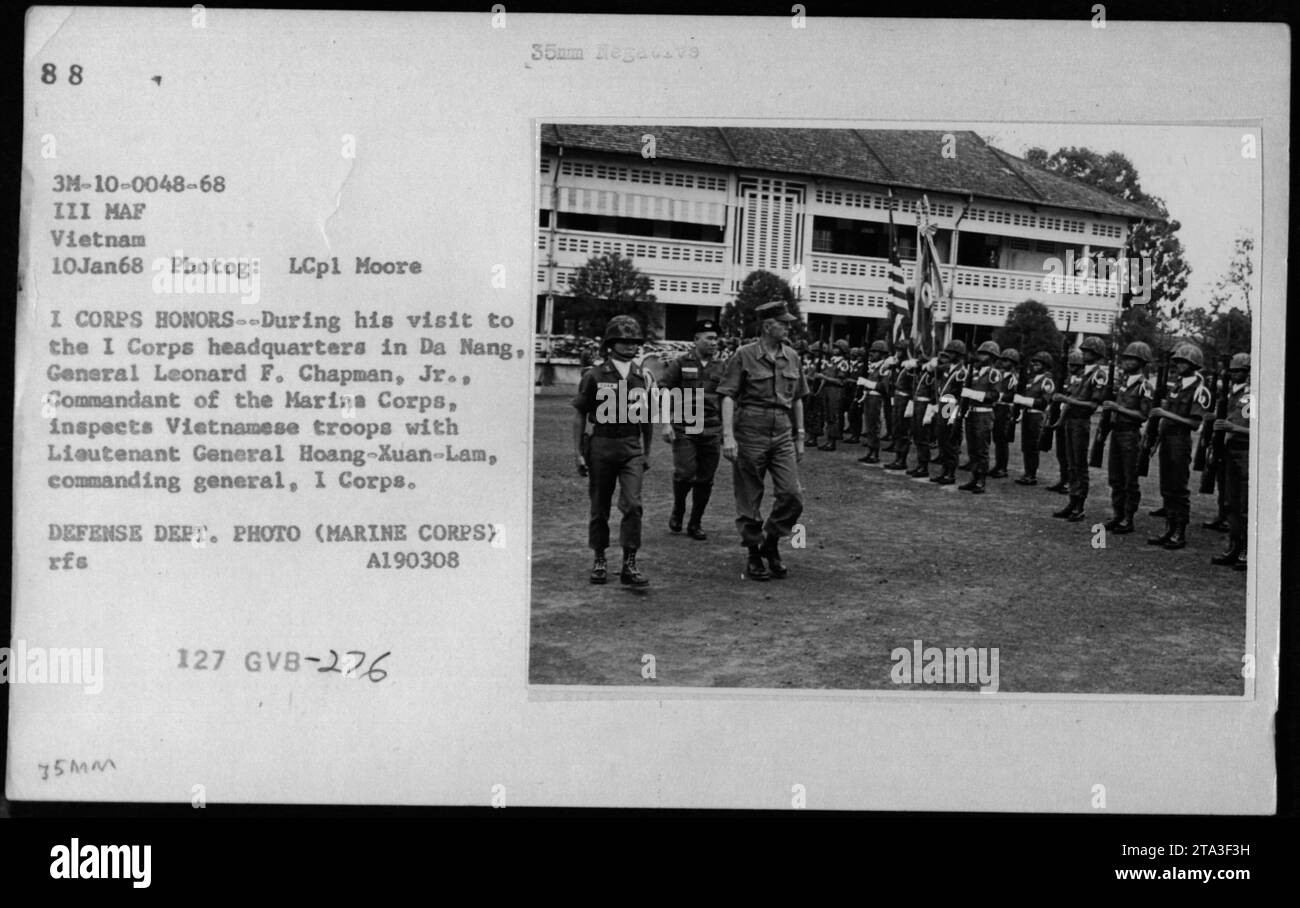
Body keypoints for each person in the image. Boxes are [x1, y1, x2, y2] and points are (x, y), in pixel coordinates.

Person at [718, 300, 808, 581]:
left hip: (781, 430)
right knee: (749, 496)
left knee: (792, 495)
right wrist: (728, 436)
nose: (788, 326)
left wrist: (800, 435)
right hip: (750, 429)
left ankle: (770, 542)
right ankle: (754, 554)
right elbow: (728, 395)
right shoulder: (744, 355)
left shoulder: (792, 356)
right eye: (784, 323)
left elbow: (798, 399)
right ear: (768, 326)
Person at [572, 315, 654, 587]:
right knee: (599, 507)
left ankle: (630, 562)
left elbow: (646, 418)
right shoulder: (594, 375)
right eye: (624, 340)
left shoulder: (642, 376)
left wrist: (647, 452)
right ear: (611, 343)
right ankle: (599, 558)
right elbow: (580, 414)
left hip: (631, 447)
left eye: (634, 341)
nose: (630, 346)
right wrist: (578, 453)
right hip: (602, 446)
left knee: (633, 505)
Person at [659, 319, 725, 540]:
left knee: (706, 479)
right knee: (685, 473)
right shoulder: (680, 363)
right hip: (685, 427)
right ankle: (678, 510)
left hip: (712, 430)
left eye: (716, 339)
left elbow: (729, 398)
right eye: (709, 338)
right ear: (696, 340)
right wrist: (666, 422)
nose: (714, 343)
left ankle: (695, 522)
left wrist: (728, 431)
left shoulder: (723, 367)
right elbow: (664, 389)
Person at [1146, 343, 1212, 550]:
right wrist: (1155, 442)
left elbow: (1194, 423)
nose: (1180, 365)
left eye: (1185, 362)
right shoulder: (1177, 385)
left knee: (1179, 488)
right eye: (1178, 361)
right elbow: (1164, 420)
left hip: (1181, 441)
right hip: (1167, 438)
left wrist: (1165, 414)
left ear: (1195, 365)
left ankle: (1179, 532)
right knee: (1167, 486)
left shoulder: (1200, 389)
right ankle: (1169, 528)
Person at [1098, 342, 1154, 534]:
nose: (1127, 362)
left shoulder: (1144, 386)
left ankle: (1128, 518)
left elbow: (1143, 415)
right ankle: (1118, 514)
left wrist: (1118, 409)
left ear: (1142, 362)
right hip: (1117, 432)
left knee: (1130, 479)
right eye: (1126, 358)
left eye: (1133, 359)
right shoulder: (1123, 382)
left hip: (1130, 434)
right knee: (1115, 477)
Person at [1051, 337, 1108, 521]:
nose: (1084, 354)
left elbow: (1092, 405)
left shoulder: (1098, 375)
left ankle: (1079, 506)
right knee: (1071, 463)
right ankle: (1072, 501)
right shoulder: (1084, 374)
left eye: (1089, 352)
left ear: (1098, 355)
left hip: (1081, 422)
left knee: (1079, 465)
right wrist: (1061, 419)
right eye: (1084, 351)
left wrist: (1067, 400)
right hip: (1071, 421)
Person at [1210, 352, 1250, 570]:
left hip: (1244, 452)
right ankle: (1234, 545)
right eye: (1233, 370)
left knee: (1244, 505)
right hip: (1228, 451)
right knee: (1230, 503)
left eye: (1239, 371)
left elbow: (1257, 428)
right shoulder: (1230, 394)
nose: (1235, 374)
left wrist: (1232, 427)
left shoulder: (1249, 396)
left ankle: (1246, 548)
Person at [956, 340, 1001, 493]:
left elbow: (994, 395)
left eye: (984, 354)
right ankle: (973, 478)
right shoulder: (973, 373)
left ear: (992, 357)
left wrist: (973, 394)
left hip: (984, 414)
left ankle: (981, 480)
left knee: (982, 448)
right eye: (980, 353)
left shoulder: (994, 374)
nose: (980, 356)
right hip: (972, 412)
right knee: (972, 447)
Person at [1014, 351, 1055, 485]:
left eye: (1039, 362)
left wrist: (1023, 400)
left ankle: (1031, 475)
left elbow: (1043, 402)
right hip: (1028, 414)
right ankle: (1027, 472)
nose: (1035, 364)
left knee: (1033, 446)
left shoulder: (1047, 381)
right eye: (1034, 362)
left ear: (1046, 365)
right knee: (1026, 446)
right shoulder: (1032, 380)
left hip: (1037, 415)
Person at [929, 339, 967, 485]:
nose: (948, 354)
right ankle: (944, 470)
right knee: (942, 437)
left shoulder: (962, 372)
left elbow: (960, 394)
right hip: (944, 403)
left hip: (952, 405)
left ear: (959, 355)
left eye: (952, 352)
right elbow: (933, 369)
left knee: (950, 439)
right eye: (949, 351)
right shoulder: (947, 368)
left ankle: (950, 473)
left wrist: (955, 413)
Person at [857, 340, 891, 464]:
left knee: (874, 426)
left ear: (882, 354)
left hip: (877, 398)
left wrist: (867, 383)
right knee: (869, 426)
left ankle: (875, 453)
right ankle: (870, 451)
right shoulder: (873, 366)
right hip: (869, 397)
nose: (872, 354)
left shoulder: (884, 367)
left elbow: (884, 387)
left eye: (875, 352)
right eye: (871, 351)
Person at [883, 338, 915, 471]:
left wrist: (911, 403)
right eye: (896, 349)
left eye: (900, 350)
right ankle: (897, 457)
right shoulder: (897, 366)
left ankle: (902, 459)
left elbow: (913, 386)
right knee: (896, 428)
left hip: (905, 400)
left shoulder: (910, 368)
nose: (897, 352)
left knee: (903, 430)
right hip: (896, 398)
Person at [989, 348, 1020, 478]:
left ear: (1013, 363)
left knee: (1003, 439)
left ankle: (1003, 467)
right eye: (1002, 360)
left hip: (1005, 408)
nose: (1003, 363)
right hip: (997, 408)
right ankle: (998, 465)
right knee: (996, 438)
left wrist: (998, 396)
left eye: (1007, 361)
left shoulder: (1013, 378)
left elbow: (1012, 395)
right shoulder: (999, 375)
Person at [817, 339, 851, 450]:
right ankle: (828, 440)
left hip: (836, 391)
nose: (835, 349)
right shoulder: (831, 361)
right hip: (827, 390)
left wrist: (824, 377)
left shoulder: (843, 363)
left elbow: (841, 381)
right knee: (828, 415)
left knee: (833, 416)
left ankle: (832, 442)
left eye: (837, 348)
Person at [845, 346, 865, 443]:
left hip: (859, 391)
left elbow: (862, 380)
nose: (858, 358)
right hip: (851, 390)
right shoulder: (856, 365)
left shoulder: (864, 367)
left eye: (860, 356)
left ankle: (856, 435)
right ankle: (853, 432)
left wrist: (852, 380)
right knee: (851, 413)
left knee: (856, 413)